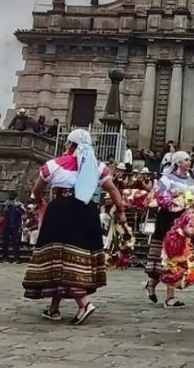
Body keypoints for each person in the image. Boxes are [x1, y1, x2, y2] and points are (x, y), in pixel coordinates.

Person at [22, 129, 125, 325]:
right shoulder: (98, 167)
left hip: (61, 211)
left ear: (69, 144)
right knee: (74, 257)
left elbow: (37, 189)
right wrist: (121, 213)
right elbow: (113, 190)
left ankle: (83, 303)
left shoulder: (54, 165)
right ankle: (54, 308)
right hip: (87, 212)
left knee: (59, 257)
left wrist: (39, 201)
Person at [145, 150, 194, 309]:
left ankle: (157, 287)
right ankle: (168, 295)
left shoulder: (191, 181)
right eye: (186, 160)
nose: (189, 162)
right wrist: (172, 201)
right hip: (168, 219)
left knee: (177, 255)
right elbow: (158, 194)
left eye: (189, 160)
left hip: (183, 219)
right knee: (167, 254)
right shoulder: (166, 178)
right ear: (178, 162)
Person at [2, 192, 25, 264]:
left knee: (15, 243)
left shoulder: (19, 204)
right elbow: (3, 213)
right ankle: (5, 258)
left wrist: (17, 207)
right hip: (7, 225)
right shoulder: (6, 204)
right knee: (5, 242)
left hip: (15, 225)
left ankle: (16, 258)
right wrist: (6, 206)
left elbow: (23, 212)